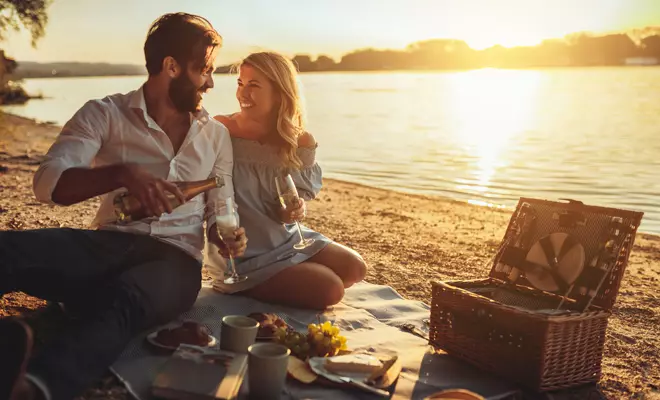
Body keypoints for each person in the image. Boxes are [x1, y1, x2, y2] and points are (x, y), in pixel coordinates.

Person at [0, 13, 246, 400]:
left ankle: (33, 388)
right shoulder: (104, 113)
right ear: (171, 67)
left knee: (123, 301)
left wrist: (224, 236)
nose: (211, 82)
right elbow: (49, 184)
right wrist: (121, 173)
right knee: (8, 249)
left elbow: (221, 208)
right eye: (204, 70)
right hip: (109, 244)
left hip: (175, 261)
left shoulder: (215, 135)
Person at [210, 51, 367, 310]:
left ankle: (291, 273)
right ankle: (249, 284)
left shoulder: (300, 141)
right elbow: (208, 192)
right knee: (331, 289)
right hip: (243, 252)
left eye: (254, 86)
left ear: (279, 91)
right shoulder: (221, 129)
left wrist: (294, 210)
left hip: (286, 238)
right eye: (240, 84)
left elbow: (296, 199)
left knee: (355, 268)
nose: (242, 94)